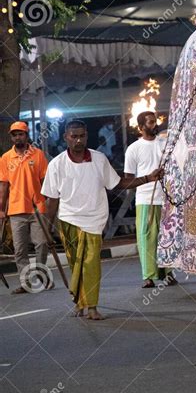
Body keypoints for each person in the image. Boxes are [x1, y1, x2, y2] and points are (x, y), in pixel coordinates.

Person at [41, 119, 161, 320]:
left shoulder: (99, 159)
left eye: (82, 136)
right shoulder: (56, 164)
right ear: (65, 138)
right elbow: (52, 200)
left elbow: (118, 184)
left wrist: (148, 178)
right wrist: (46, 229)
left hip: (95, 221)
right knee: (76, 264)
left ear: (87, 136)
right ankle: (80, 302)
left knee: (91, 263)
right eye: (74, 136)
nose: (79, 140)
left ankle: (92, 306)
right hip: (68, 220)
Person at [124, 112, 176, 288]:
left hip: (167, 197)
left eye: (155, 121)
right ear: (141, 127)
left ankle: (168, 273)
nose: (155, 125)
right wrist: (148, 178)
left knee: (167, 237)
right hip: (146, 198)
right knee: (147, 238)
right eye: (151, 123)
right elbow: (128, 178)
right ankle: (148, 276)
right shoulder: (133, 149)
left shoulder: (165, 144)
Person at [0, 121, 51, 294]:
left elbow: (46, 181)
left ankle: (41, 276)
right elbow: (4, 186)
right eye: (14, 134)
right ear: (11, 137)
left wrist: (51, 203)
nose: (17, 137)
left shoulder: (38, 154)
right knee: (20, 249)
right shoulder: (6, 158)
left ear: (27, 135)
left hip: (37, 207)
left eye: (20, 134)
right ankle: (27, 282)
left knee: (42, 244)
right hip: (15, 210)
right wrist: (1, 209)